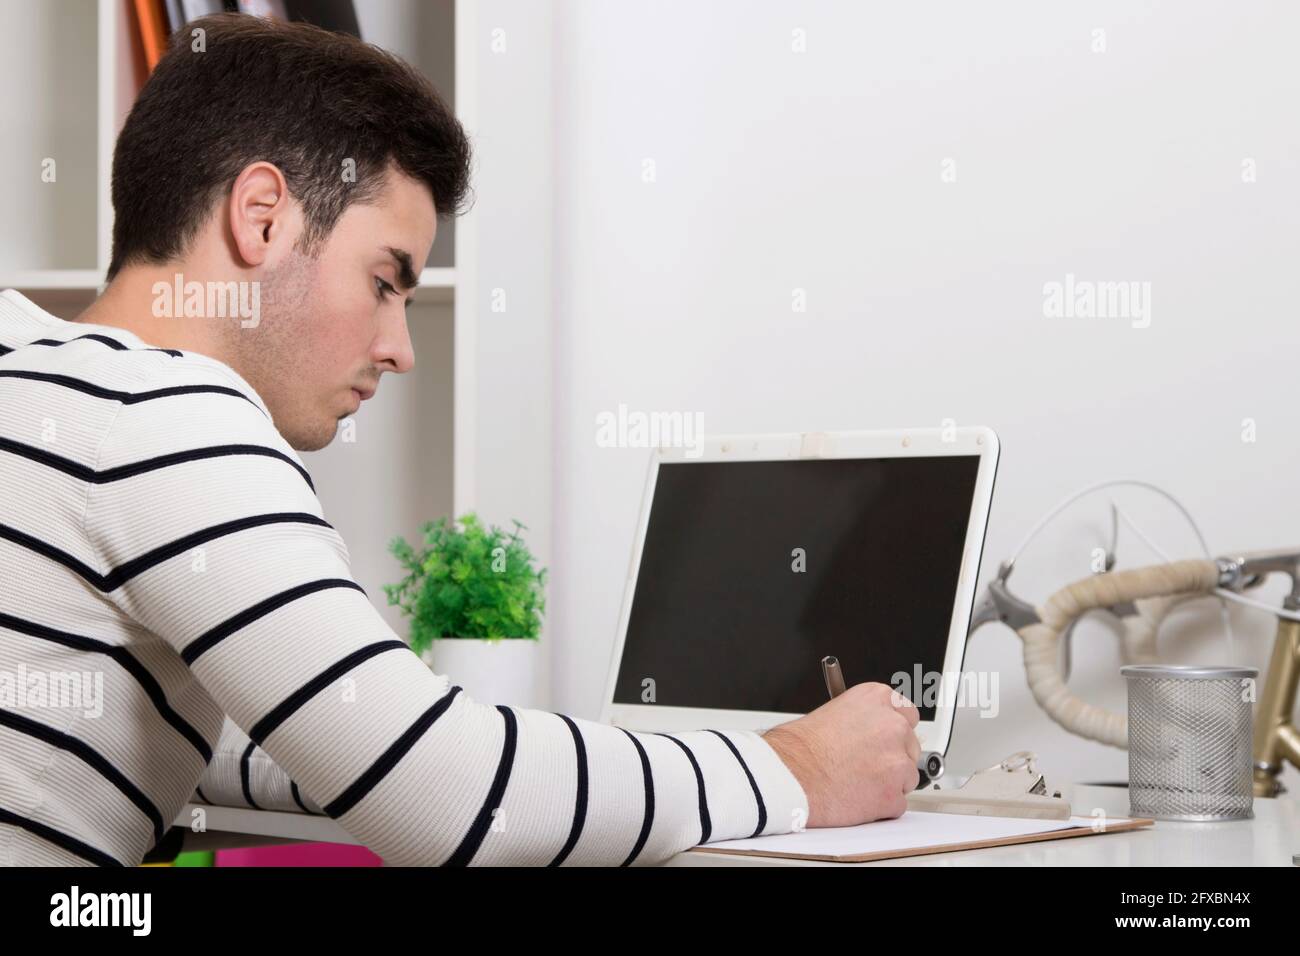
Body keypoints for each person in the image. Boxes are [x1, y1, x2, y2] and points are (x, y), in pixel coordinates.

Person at [0, 13, 918, 867]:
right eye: (385, 279)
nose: (398, 348)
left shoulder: (33, 367)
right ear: (263, 218)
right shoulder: (167, 412)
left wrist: (355, 750)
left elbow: (136, 726)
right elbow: (452, 796)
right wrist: (796, 769)